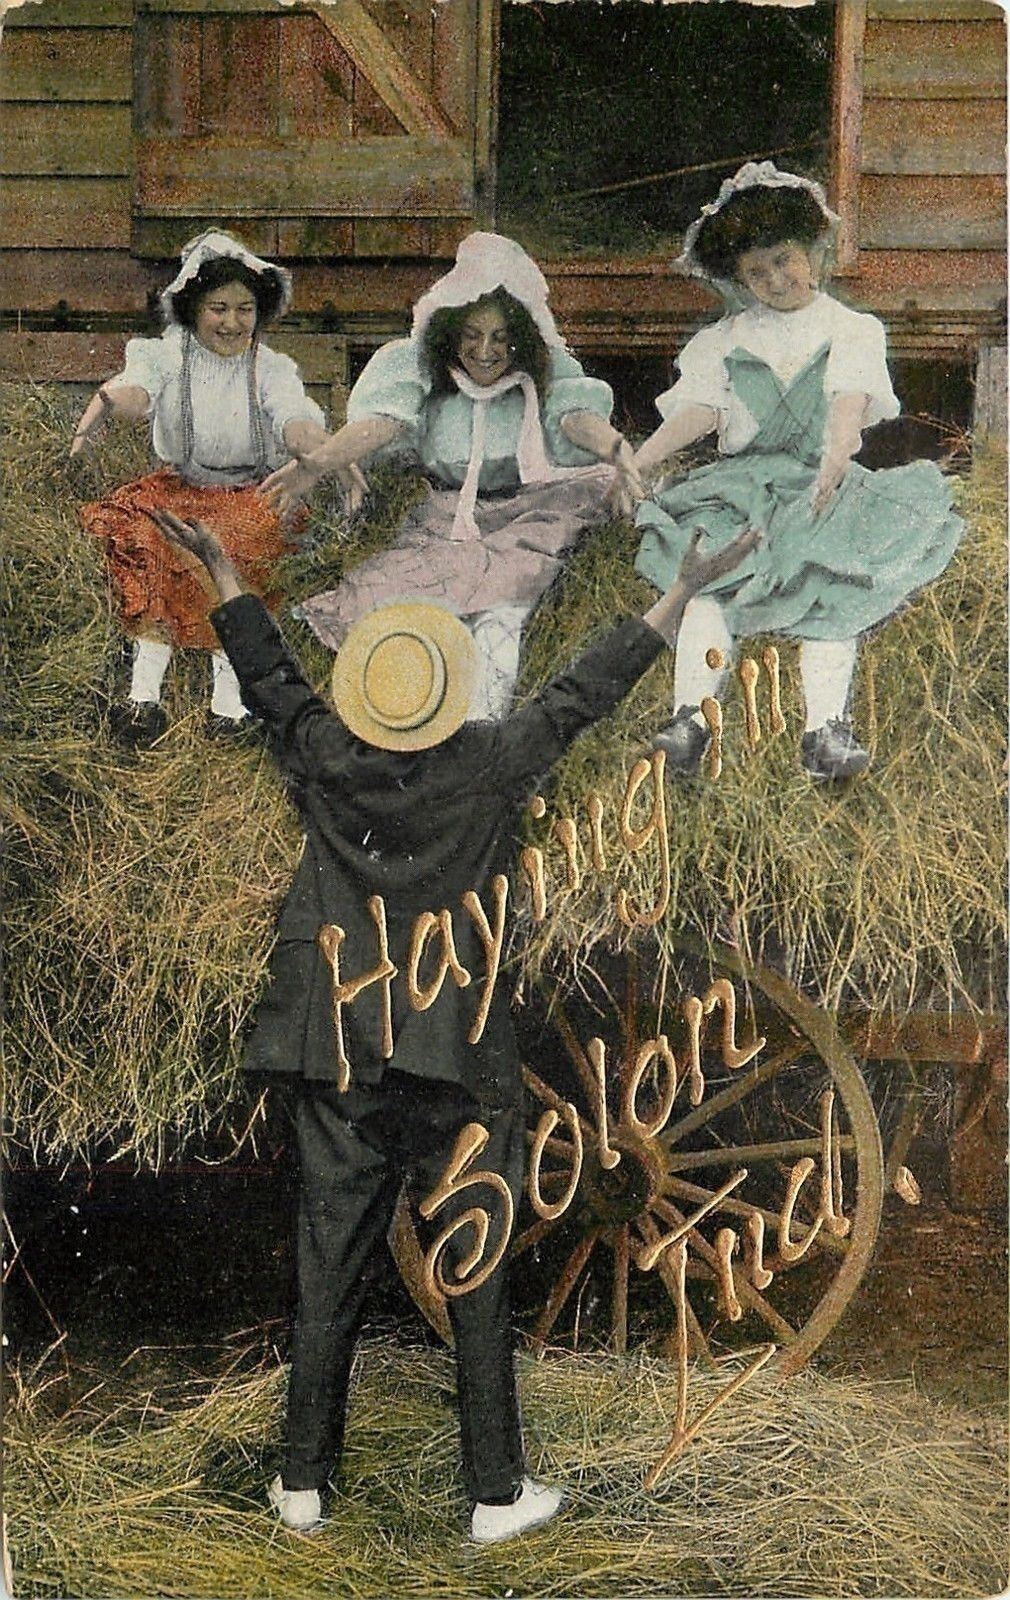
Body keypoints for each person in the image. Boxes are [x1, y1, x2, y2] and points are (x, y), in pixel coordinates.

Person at [149, 504, 757, 1544]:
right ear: (444, 697)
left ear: (368, 700)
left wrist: (219, 570)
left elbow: (272, 678)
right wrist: (677, 594)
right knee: (472, 1272)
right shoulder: (488, 762)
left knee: (326, 1263)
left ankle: (300, 1490)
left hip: (333, 1047)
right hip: (452, 1055)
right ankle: (492, 1495)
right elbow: (579, 698)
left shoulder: (323, 758)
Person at [632, 161, 964, 781]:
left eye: (784, 260)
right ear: (738, 280)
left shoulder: (850, 329)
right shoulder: (725, 339)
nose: (775, 279)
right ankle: (689, 718)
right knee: (710, 578)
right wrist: (641, 457)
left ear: (811, 252)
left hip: (819, 479)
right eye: (756, 272)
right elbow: (701, 410)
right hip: (744, 484)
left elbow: (847, 400)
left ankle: (824, 730)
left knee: (831, 584)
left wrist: (837, 458)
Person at [261, 231, 645, 720]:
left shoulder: (544, 378)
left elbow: (572, 415)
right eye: (472, 335)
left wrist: (613, 446)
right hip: (444, 517)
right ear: (450, 331)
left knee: (502, 614)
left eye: (501, 338)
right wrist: (317, 463)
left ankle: (482, 730)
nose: (485, 351)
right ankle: (413, 729)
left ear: (522, 339)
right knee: (414, 611)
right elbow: (384, 422)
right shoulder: (423, 371)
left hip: (527, 513)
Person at [73, 231, 328, 744]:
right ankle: (141, 700)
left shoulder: (271, 368)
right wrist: (108, 402)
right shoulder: (169, 356)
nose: (232, 323)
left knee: (236, 552)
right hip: (181, 489)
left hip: (248, 496)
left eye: (245, 309)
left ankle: (228, 708)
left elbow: (293, 418)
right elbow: (137, 393)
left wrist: (318, 447)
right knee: (149, 543)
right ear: (192, 308)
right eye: (218, 308)